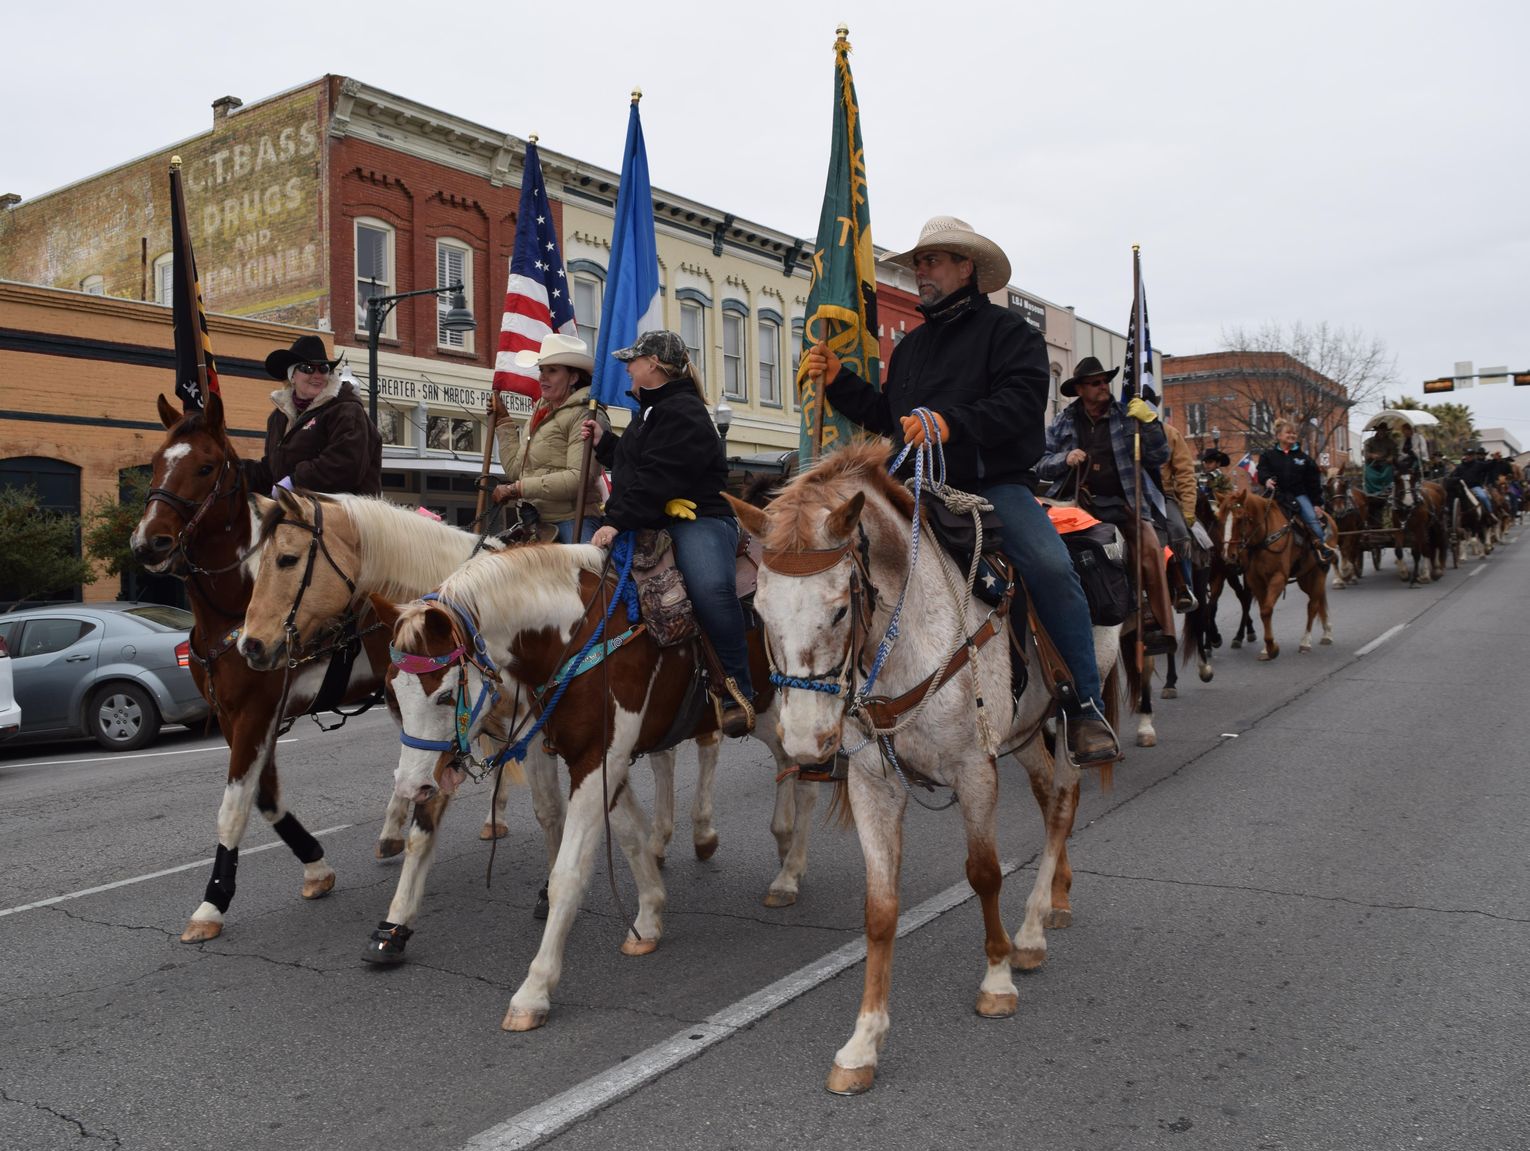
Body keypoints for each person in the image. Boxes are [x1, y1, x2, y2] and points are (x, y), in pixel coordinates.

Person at [804, 216, 1117, 763]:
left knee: (1051, 567)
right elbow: (889, 417)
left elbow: (1021, 403)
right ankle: (840, 706)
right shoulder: (911, 348)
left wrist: (952, 423)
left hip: (992, 487)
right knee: (839, 569)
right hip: (915, 486)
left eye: (932, 261)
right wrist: (839, 382)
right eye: (918, 263)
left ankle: (1084, 705)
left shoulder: (1010, 333)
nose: (921, 271)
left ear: (966, 267)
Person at [582, 330, 756, 737]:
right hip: (657, 515)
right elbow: (637, 466)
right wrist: (607, 444)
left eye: (633, 361)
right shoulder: (651, 412)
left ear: (654, 365)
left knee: (710, 590)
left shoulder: (683, 411)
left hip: (701, 518)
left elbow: (658, 476)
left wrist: (615, 521)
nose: (628, 368)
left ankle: (737, 687)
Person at [1037, 357, 1176, 656]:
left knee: (1151, 547)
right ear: (1080, 389)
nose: (1103, 386)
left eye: (1105, 381)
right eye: (1095, 383)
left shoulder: (1128, 416)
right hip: (1078, 505)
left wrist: (1150, 423)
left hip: (1124, 502)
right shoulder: (1063, 421)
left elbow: (1159, 456)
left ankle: (1155, 622)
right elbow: (1039, 463)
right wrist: (1064, 458)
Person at [491, 334, 608, 543]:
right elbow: (516, 472)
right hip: (534, 523)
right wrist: (503, 422)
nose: (542, 377)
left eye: (552, 371)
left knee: (584, 563)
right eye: (541, 370)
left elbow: (578, 479)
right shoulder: (540, 412)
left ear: (573, 378)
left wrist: (517, 488)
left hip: (573, 520)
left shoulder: (587, 413)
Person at [243, 334, 381, 497]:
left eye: (323, 368)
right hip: (296, 508)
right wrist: (237, 470)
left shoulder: (347, 410)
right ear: (292, 376)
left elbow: (346, 465)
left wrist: (294, 481)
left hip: (343, 510)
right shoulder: (278, 418)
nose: (317, 375)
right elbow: (272, 471)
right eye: (307, 368)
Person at [1257, 418, 1334, 565]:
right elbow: (1262, 471)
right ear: (1279, 436)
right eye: (1288, 432)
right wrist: (1266, 480)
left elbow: (1313, 483)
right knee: (1254, 516)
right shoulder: (1268, 456)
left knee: (1311, 519)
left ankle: (1322, 547)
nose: (1292, 435)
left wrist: (1316, 504)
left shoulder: (1304, 459)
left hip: (1298, 495)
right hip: (1275, 494)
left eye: (1294, 433)